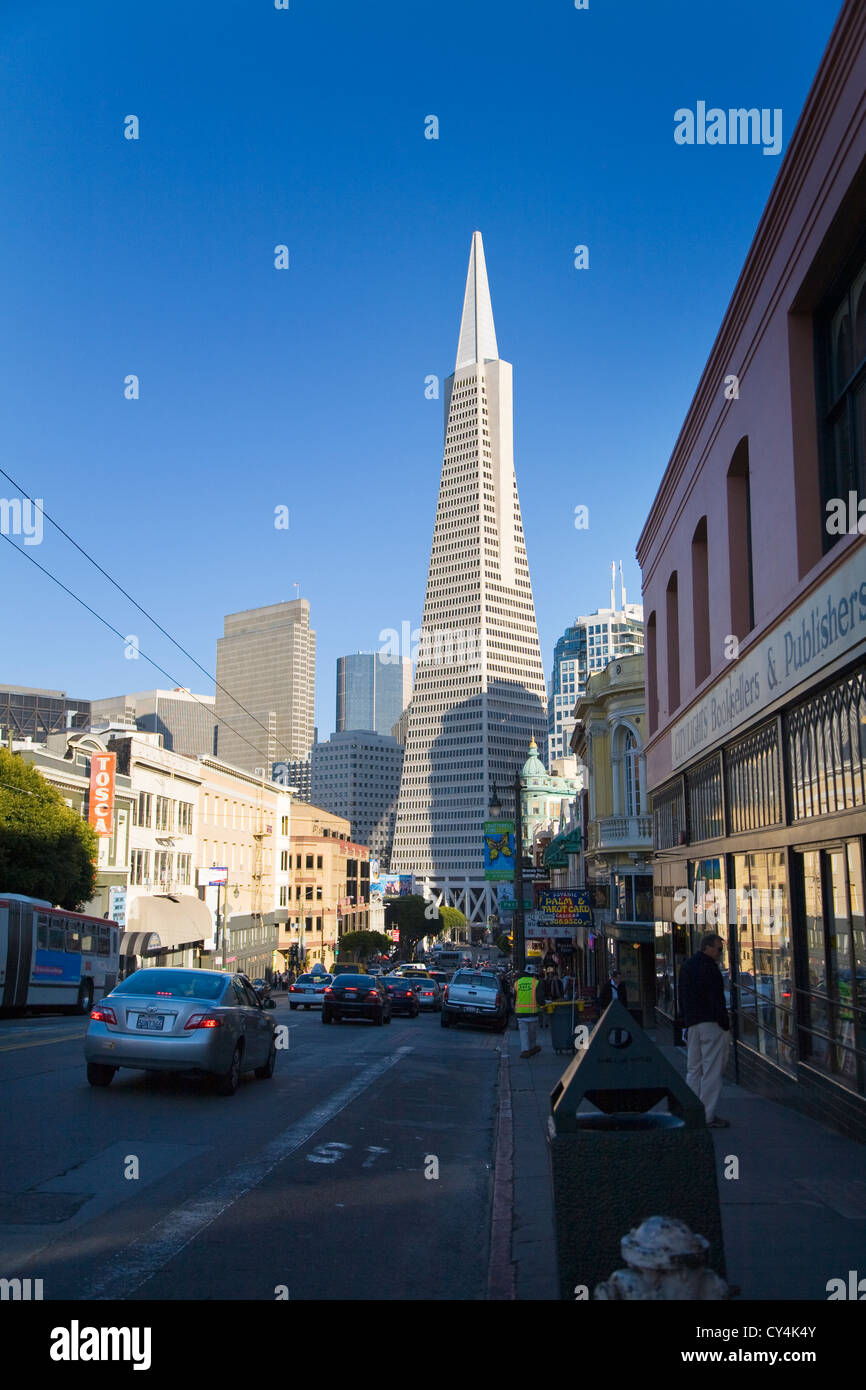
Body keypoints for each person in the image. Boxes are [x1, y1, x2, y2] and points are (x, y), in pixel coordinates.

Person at [678, 932, 731, 1128]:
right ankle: (706, 1115)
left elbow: (682, 996)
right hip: (711, 1023)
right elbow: (716, 999)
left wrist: (684, 1020)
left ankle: (691, 1110)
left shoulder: (687, 966)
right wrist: (724, 1023)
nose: (720, 952)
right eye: (718, 948)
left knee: (694, 1069)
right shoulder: (710, 969)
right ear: (708, 947)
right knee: (712, 1071)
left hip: (692, 1024)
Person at [514, 962, 545, 1057]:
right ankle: (532, 1047)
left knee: (523, 1033)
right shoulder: (536, 983)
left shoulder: (517, 983)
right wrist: (543, 1005)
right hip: (532, 1013)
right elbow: (540, 998)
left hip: (520, 1013)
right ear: (534, 974)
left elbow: (515, 997)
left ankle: (525, 1050)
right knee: (532, 1033)